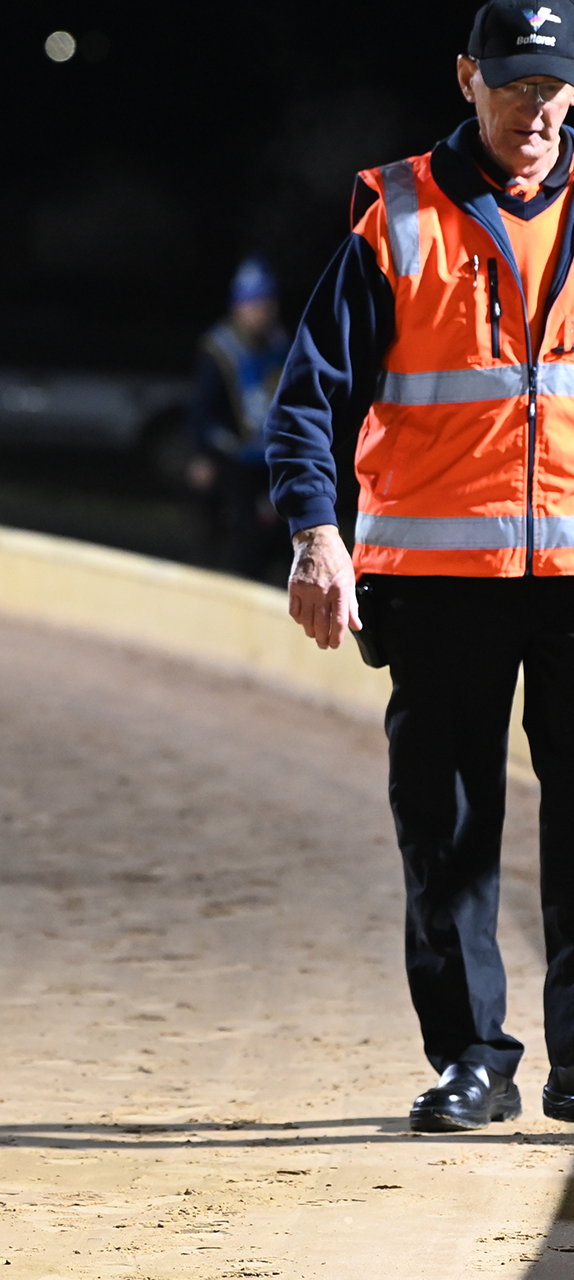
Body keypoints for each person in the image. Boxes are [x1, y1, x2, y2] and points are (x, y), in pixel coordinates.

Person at [269, 0, 574, 1134]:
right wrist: (316, 533)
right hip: (438, 583)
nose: (533, 106)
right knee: (447, 834)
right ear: (466, 79)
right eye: (512, 83)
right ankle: (472, 1059)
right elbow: (307, 403)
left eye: (551, 85)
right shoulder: (400, 213)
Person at [187, 255, 292, 580]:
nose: (262, 312)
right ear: (239, 307)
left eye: (266, 304)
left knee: (287, 532)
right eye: (254, 304)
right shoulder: (220, 348)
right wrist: (201, 454)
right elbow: (202, 406)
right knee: (242, 534)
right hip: (234, 455)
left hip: (273, 457)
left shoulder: (281, 342)